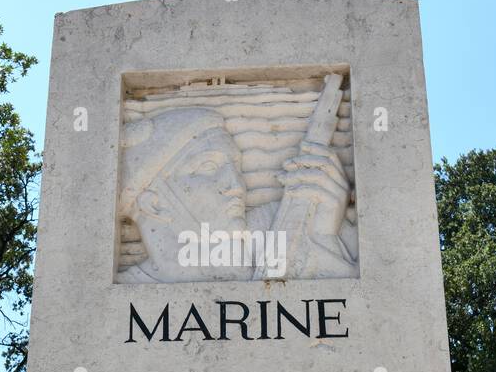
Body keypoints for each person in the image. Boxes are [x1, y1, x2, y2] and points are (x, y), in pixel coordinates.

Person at [117, 107, 357, 282]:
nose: (237, 185)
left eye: (237, 168)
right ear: (154, 203)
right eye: (209, 167)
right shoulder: (126, 293)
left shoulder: (276, 229)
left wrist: (324, 236)